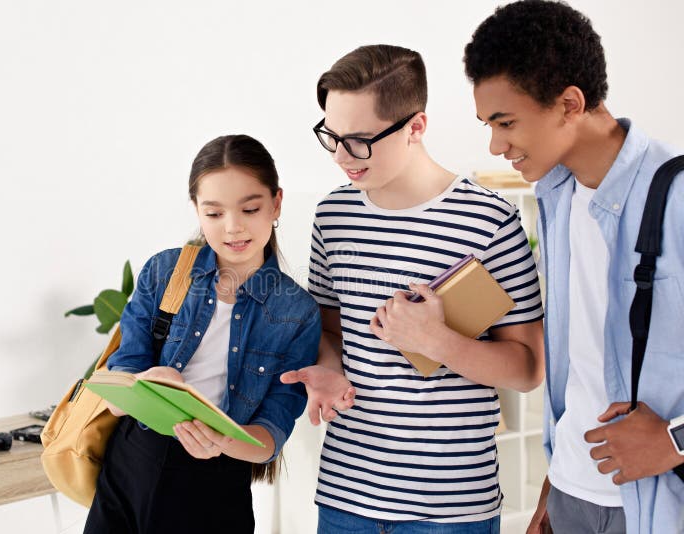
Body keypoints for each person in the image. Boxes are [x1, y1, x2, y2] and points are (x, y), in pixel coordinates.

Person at [281, 44, 544, 533]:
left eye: (358, 140)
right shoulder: (333, 216)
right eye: (331, 136)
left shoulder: (490, 220)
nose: (341, 157)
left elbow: (528, 369)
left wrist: (436, 342)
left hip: (450, 510)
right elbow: (330, 332)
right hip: (345, 499)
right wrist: (328, 368)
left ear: (415, 127)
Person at [464, 2, 684, 533]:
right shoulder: (556, 197)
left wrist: (676, 439)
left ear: (569, 104)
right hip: (570, 493)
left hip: (655, 505)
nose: (496, 145)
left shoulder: (676, 194)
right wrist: (554, 482)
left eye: (506, 122)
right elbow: (580, 364)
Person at [83, 134, 321, 534]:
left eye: (250, 208)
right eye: (213, 214)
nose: (233, 228)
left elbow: (269, 439)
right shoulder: (164, 272)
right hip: (129, 468)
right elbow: (116, 396)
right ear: (196, 209)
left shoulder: (297, 313)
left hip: (215, 485)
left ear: (276, 203)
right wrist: (147, 384)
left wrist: (221, 441)